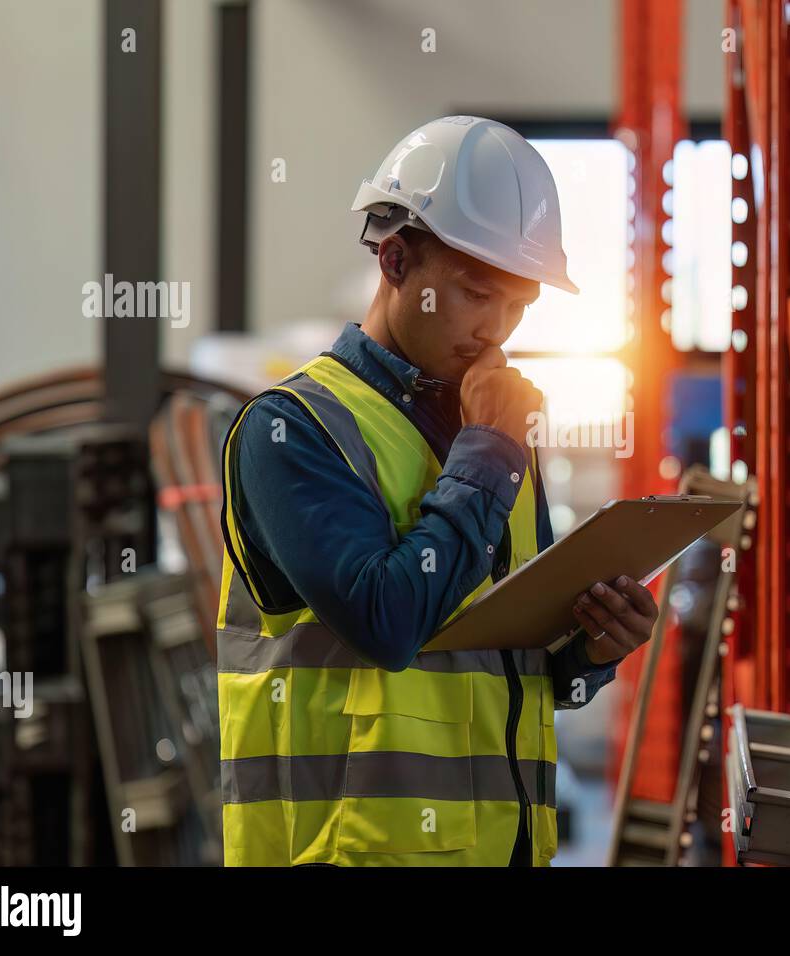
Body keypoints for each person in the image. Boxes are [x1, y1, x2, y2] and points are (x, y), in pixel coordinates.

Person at [216, 116, 658, 866]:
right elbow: (386, 621)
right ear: (393, 261)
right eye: (475, 295)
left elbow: (512, 650)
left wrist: (590, 645)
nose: (496, 332)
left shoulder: (498, 434)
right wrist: (487, 449)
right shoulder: (290, 431)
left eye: (518, 308)